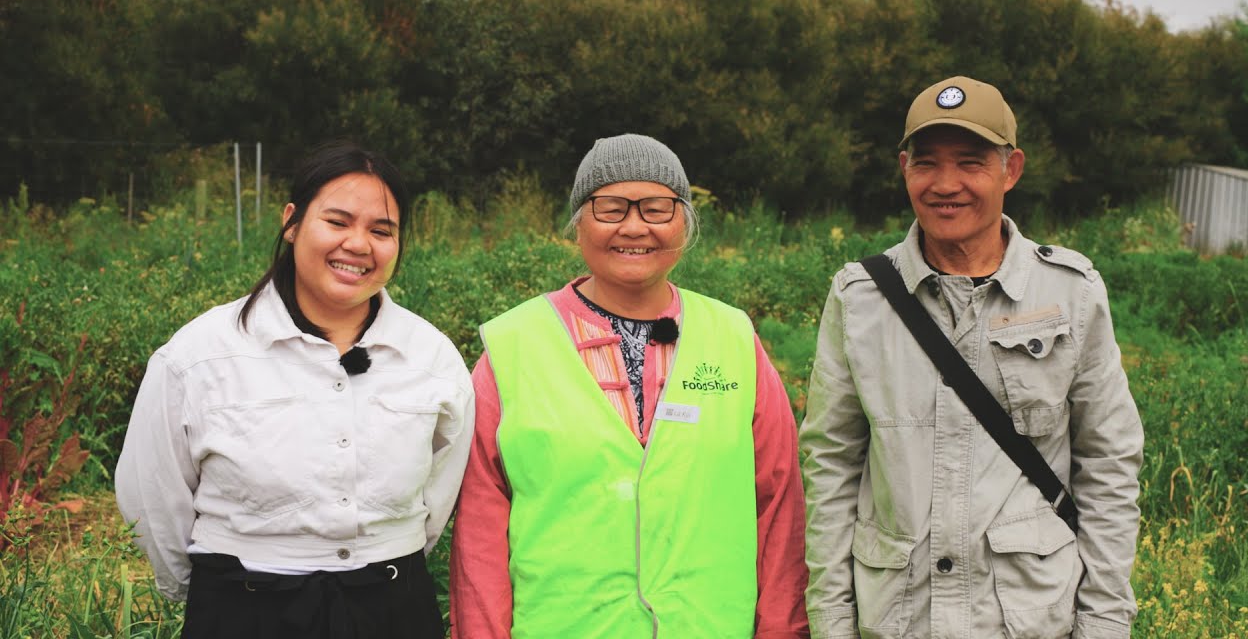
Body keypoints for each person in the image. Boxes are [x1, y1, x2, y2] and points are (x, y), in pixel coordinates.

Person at [800, 77, 1144, 639]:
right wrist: (832, 622)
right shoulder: (858, 297)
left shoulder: (1070, 292)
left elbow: (1109, 464)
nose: (945, 184)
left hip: (1029, 621)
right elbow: (831, 466)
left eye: (970, 163)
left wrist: (1104, 623)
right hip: (897, 620)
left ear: (1011, 170)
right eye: (926, 163)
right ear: (903, 167)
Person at [449, 133, 810, 638]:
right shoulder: (513, 344)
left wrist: (782, 631)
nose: (635, 226)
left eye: (657, 208)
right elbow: (479, 530)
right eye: (611, 207)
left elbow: (778, 508)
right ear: (578, 224)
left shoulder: (733, 336)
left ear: (684, 222)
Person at [116, 141, 475, 639]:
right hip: (244, 612)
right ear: (292, 223)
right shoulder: (200, 354)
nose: (358, 244)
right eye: (337, 221)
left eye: (381, 230)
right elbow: (152, 495)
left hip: (394, 608)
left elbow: (439, 495)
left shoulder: (432, 358)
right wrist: (208, 591)